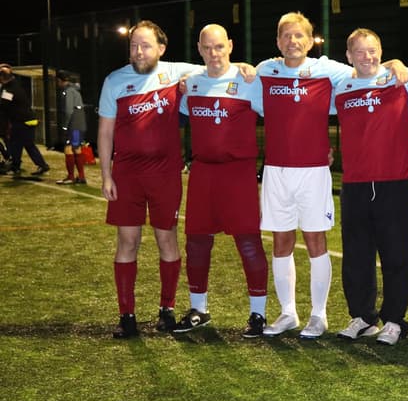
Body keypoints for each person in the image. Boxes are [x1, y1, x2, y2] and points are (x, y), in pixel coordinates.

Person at [257, 12, 405, 340]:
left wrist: (392, 62)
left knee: (314, 240)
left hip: (313, 170)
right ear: (278, 41)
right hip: (276, 170)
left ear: (310, 42)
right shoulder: (264, 72)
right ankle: (287, 313)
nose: (292, 42)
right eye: (286, 36)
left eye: (299, 36)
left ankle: (318, 315)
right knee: (281, 241)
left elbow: (368, 68)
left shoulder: (329, 71)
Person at [96, 21, 200, 337]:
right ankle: (126, 315)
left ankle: (166, 309)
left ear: (161, 49)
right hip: (126, 175)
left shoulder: (177, 71)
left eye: (145, 46)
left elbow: (218, 66)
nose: (138, 52)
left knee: (165, 238)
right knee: (127, 241)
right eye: (133, 46)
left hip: (165, 174)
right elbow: (105, 131)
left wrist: (245, 70)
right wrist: (106, 175)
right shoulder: (114, 81)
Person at [172, 24, 270, 338]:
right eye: (207, 48)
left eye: (219, 47)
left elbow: (279, 117)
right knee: (197, 242)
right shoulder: (192, 85)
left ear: (230, 45)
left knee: (249, 243)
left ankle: (258, 314)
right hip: (202, 172)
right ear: (199, 50)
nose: (214, 54)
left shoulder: (248, 81)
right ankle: (199, 309)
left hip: (238, 172)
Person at [331, 28, 408, 346]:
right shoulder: (340, 86)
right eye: (360, 52)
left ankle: (394, 320)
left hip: (392, 183)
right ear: (349, 56)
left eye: (374, 50)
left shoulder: (402, 79)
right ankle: (363, 317)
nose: (368, 57)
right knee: (356, 255)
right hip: (354, 184)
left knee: (396, 255)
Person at [0, 65, 51, 178]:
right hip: (28, 120)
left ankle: (16, 166)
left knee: (16, 144)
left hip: (21, 121)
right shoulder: (15, 85)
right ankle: (38, 165)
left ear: (2, 77)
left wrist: (4, 126)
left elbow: (4, 107)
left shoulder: (8, 89)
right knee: (26, 144)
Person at [55, 71, 88, 185]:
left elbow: (69, 111)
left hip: (73, 125)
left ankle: (70, 177)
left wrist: (65, 126)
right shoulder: (75, 90)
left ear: (60, 80)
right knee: (76, 148)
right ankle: (82, 177)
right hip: (80, 124)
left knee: (68, 149)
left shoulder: (68, 91)